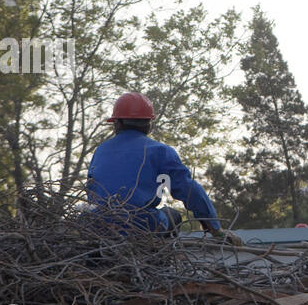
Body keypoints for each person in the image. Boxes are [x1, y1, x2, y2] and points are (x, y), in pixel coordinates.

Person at [87, 91, 243, 244]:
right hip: (142, 226)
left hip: (99, 227)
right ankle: (161, 263)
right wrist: (215, 229)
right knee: (173, 216)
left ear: (117, 123)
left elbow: (91, 194)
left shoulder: (100, 151)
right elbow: (189, 190)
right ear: (149, 125)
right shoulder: (159, 151)